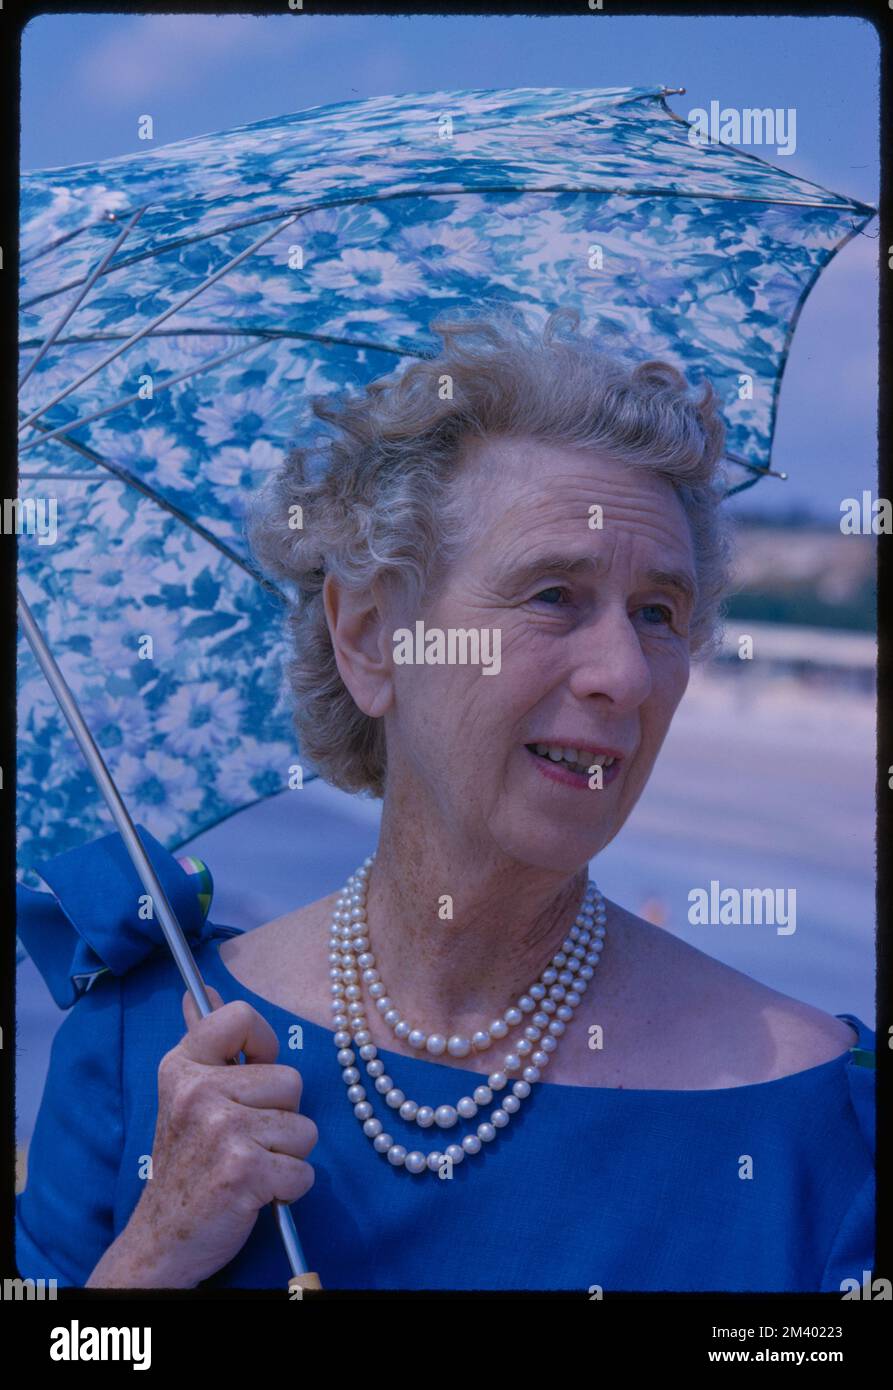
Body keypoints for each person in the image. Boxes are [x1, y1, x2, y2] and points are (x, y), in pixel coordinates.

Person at [16, 310, 874, 1292]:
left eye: (658, 613)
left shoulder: (809, 1118)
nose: (624, 674)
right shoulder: (160, 1053)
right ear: (373, 637)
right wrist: (154, 1251)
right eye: (552, 593)